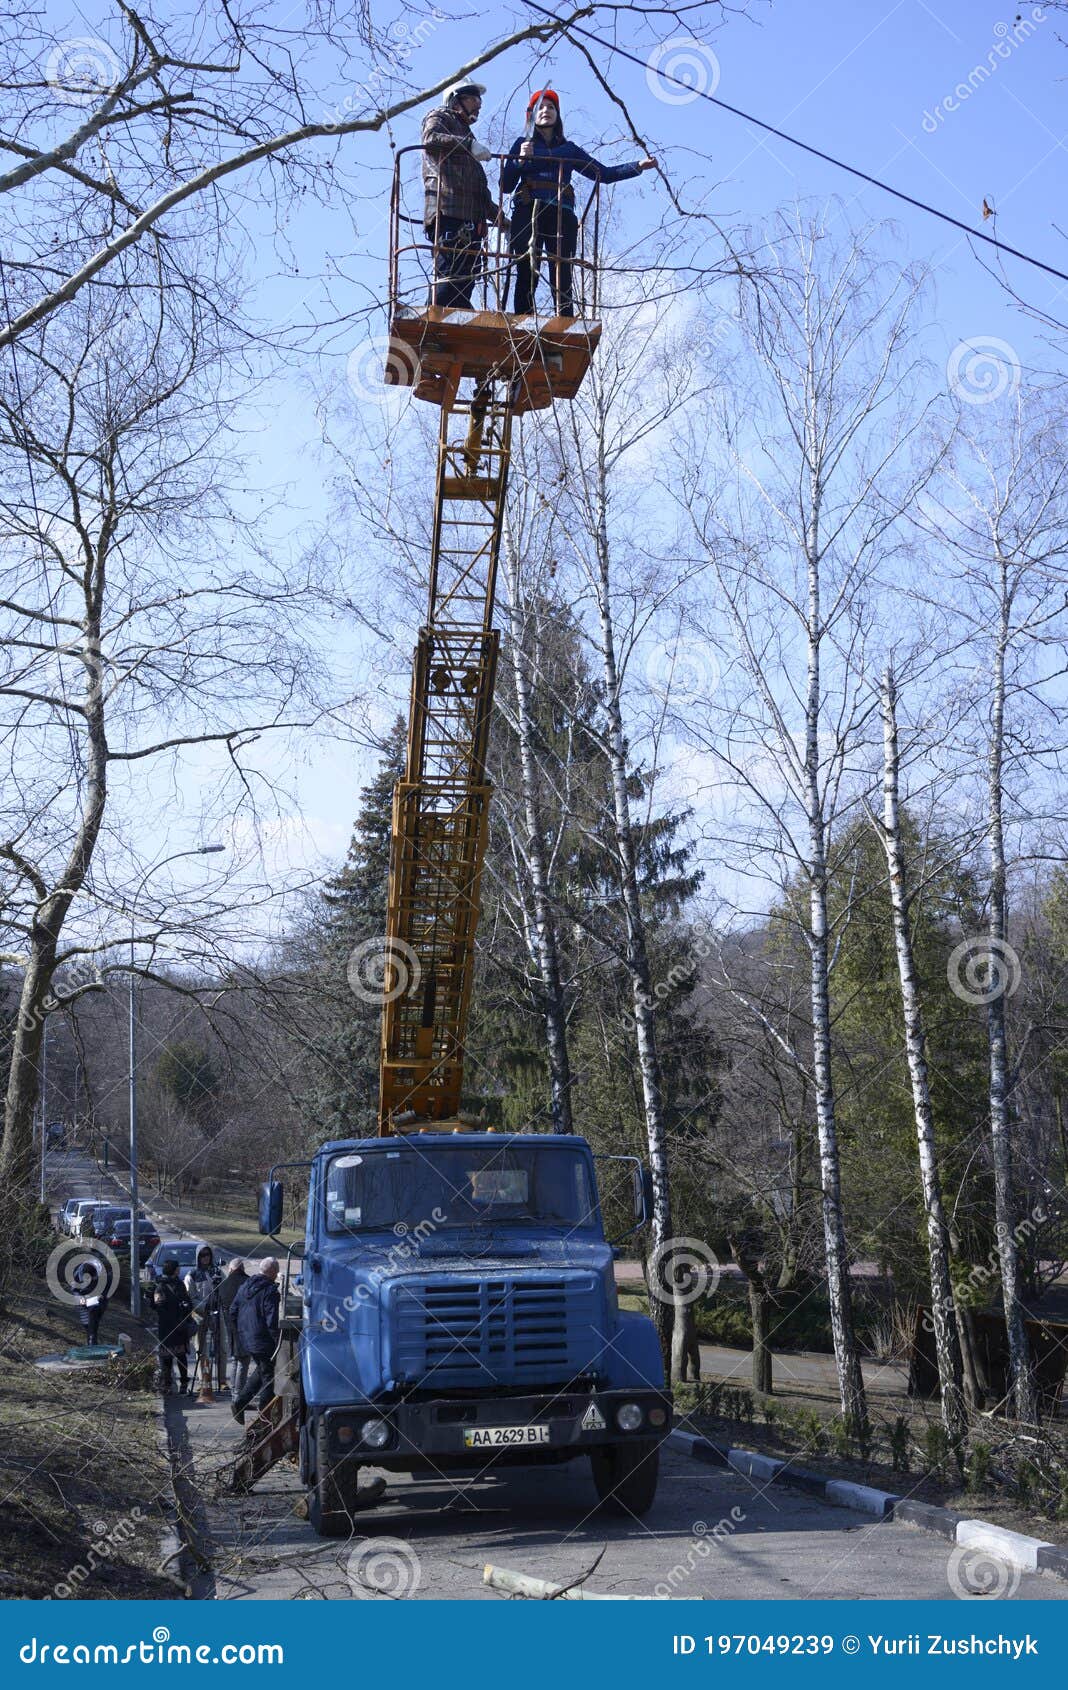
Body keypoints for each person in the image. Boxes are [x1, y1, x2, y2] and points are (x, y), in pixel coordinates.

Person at [502, 90, 656, 317]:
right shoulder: (522, 144)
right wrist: (519, 161)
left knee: (562, 268)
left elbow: (602, 173)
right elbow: (506, 185)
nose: (545, 111)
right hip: (528, 210)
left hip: (560, 214)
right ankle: (524, 317)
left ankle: (564, 319)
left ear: (558, 115)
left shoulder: (569, 149)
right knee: (527, 265)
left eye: (551, 107)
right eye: (540, 108)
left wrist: (638, 166)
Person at [421, 81, 499, 310]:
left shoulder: (465, 134)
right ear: (456, 99)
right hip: (449, 211)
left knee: (464, 284)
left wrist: (500, 218)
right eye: (474, 99)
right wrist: (468, 145)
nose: (479, 106)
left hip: (471, 220)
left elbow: (478, 192)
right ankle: (431, 322)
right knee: (448, 279)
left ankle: (451, 320)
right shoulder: (440, 116)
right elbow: (431, 139)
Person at [229, 1256, 281, 1426]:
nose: (277, 1274)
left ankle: (240, 1402)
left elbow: (233, 1310)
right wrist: (276, 1340)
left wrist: (243, 1331)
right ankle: (264, 1419)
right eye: (277, 1270)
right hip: (263, 1339)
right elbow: (271, 1319)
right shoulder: (270, 1290)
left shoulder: (245, 1286)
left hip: (247, 1338)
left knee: (262, 1369)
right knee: (269, 1379)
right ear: (272, 1271)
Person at [153, 1258, 194, 1394]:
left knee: (181, 1356)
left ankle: (183, 1384)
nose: (179, 1270)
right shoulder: (160, 1287)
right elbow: (159, 1308)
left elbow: (187, 1301)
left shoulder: (180, 1284)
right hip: (166, 1328)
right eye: (177, 1268)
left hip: (180, 1326)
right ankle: (168, 1384)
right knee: (167, 1358)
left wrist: (186, 1307)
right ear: (173, 1270)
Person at [219, 1256, 249, 1401]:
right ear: (242, 1268)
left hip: (230, 1327)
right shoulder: (247, 1282)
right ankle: (239, 1396)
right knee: (243, 1361)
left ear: (231, 1269)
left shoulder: (223, 1285)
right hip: (246, 1327)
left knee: (236, 1360)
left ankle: (234, 1393)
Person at [72, 1256, 109, 1346]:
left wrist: (102, 1295)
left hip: (98, 1296)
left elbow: (107, 1289)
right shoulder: (78, 1273)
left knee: (95, 1314)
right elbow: (74, 1290)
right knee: (86, 1321)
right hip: (83, 1296)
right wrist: (80, 1298)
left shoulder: (103, 1275)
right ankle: (91, 1339)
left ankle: (92, 1340)